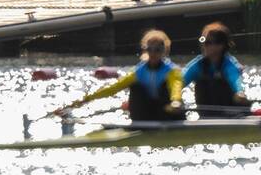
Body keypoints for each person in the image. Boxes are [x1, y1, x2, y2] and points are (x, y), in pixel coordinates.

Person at [52, 30, 185, 123]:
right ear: (145, 50)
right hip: (145, 117)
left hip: (168, 116)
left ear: (164, 51)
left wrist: (175, 102)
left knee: (164, 92)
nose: (153, 53)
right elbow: (112, 89)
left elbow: (176, 89)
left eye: (158, 50)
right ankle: (140, 127)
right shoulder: (138, 72)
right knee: (137, 88)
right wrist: (79, 103)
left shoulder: (172, 72)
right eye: (150, 49)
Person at [182, 22, 250, 113]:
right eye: (203, 41)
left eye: (208, 42)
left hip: (230, 115)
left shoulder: (229, 64)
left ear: (221, 45)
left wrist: (239, 93)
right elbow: (180, 81)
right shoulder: (198, 65)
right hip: (205, 116)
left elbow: (235, 79)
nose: (204, 45)